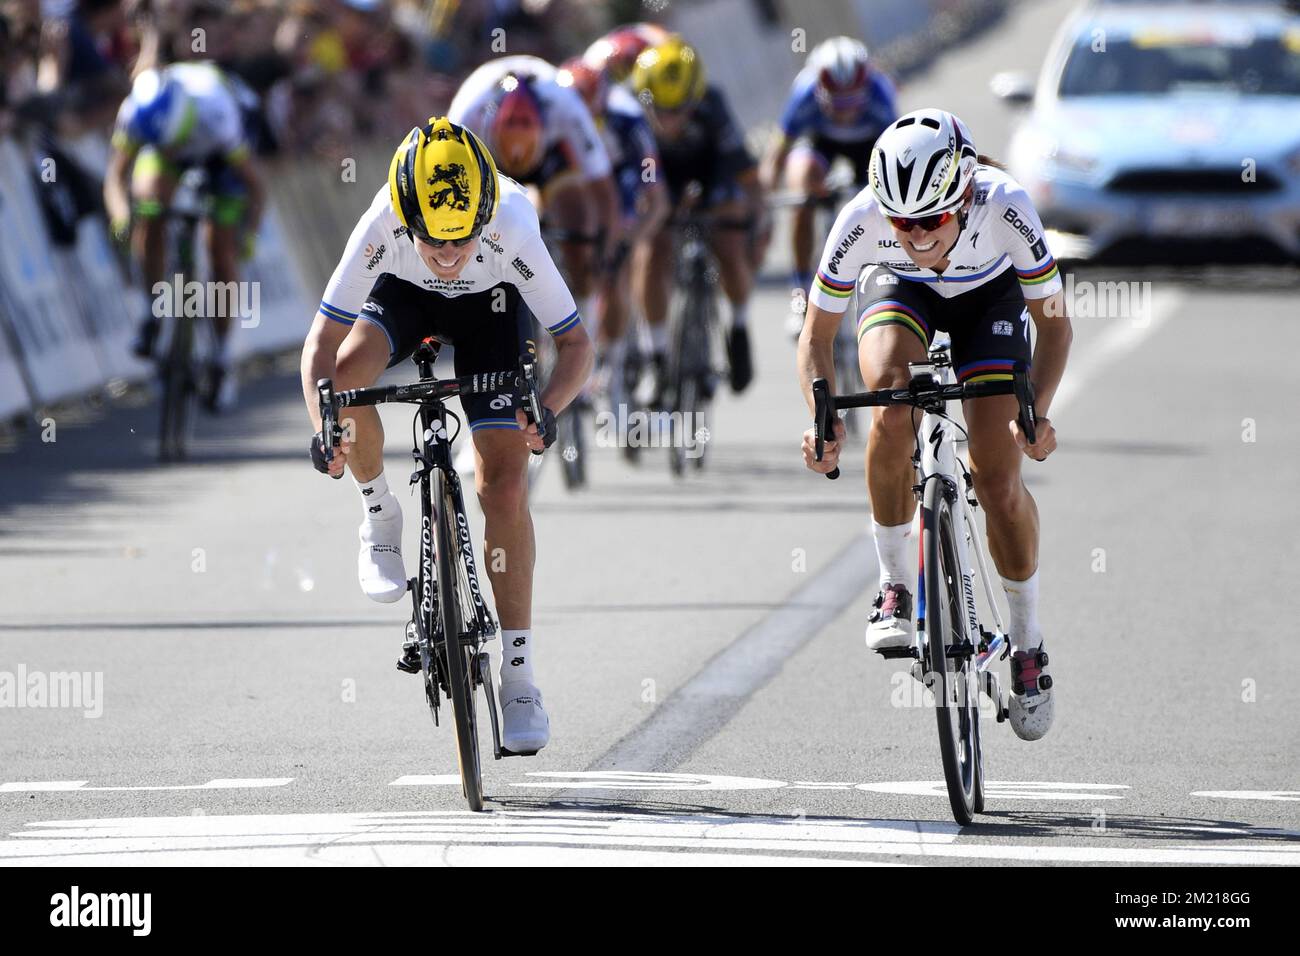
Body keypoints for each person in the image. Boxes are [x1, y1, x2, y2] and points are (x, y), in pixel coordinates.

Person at [300, 117, 594, 754]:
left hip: (494, 312)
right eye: (433, 239)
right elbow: (321, 343)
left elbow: (576, 345)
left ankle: (519, 677)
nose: (450, 254)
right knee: (346, 381)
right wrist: (324, 425)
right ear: (406, 218)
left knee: (504, 487)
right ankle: (379, 513)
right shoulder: (382, 222)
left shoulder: (513, 223)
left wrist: (547, 408)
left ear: (484, 215)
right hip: (406, 298)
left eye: (463, 239)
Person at [797, 109, 1072, 741]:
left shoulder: (1006, 207)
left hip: (990, 301)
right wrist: (820, 419)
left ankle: (1026, 642)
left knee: (998, 481)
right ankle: (895, 585)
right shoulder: (862, 219)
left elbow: (1055, 326)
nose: (918, 235)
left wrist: (1038, 412)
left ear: (965, 196)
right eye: (902, 223)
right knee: (891, 403)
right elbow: (816, 335)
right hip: (901, 293)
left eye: (932, 220)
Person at [103, 61, 266, 411]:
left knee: (220, 248)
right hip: (174, 138)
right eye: (163, 147)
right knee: (149, 205)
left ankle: (222, 355)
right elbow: (115, 178)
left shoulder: (219, 116)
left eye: (173, 146)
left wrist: (249, 236)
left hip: (220, 154)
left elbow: (256, 189)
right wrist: (122, 220)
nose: (171, 152)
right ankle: (151, 312)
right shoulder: (135, 113)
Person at [630, 34, 765, 398]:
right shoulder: (631, 112)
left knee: (730, 244)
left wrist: (755, 220)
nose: (669, 119)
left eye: (679, 109)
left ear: (695, 98)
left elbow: (746, 173)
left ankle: (739, 328)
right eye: (660, 109)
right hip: (660, 179)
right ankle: (656, 356)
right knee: (651, 249)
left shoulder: (712, 106)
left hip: (711, 176)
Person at [448, 55, 618, 334]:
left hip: (550, 157)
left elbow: (603, 188)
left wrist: (603, 251)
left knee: (580, 231)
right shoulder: (468, 115)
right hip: (490, 160)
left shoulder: (566, 107)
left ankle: (584, 327)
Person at [759, 36, 898, 336]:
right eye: (837, 101)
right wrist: (764, 209)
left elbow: (897, 155)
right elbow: (777, 154)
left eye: (851, 101)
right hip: (821, 143)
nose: (845, 112)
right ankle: (800, 292)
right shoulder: (805, 92)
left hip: (868, 146)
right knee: (800, 188)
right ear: (821, 91)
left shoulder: (880, 92)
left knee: (888, 199)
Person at [557, 56, 668, 422]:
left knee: (613, 259)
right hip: (576, 180)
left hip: (620, 182)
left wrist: (627, 243)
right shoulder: (553, 122)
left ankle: (612, 366)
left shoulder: (628, 119)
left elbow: (656, 198)